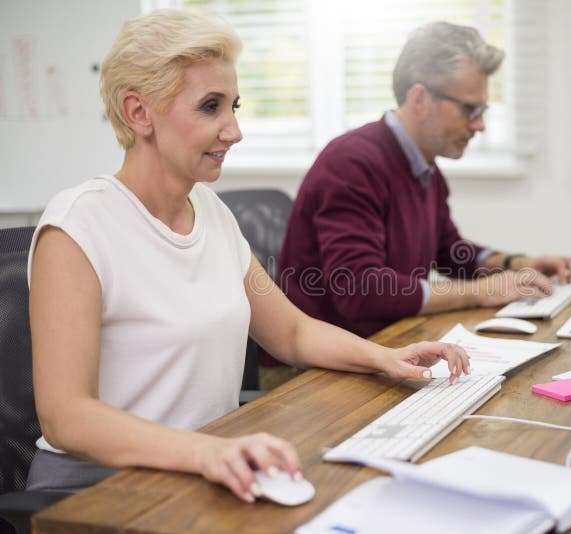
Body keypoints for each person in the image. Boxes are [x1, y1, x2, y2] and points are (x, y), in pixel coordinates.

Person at [26, 10, 469, 504]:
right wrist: (204, 453)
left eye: (233, 106)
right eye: (210, 107)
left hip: (203, 468)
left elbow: (292, 332)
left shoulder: (211, 212)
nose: (234, 131)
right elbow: (66, 416)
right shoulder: (77, 227)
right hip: (98, 490)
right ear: (138, 112)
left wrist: (385, 358)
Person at [279, 21, 571, 339]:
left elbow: (448, 250)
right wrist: (479, 292)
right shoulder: (352, 164)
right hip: (311, 368)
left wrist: (516, 263)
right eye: (471, 110)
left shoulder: (424, 165)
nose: (480, 126)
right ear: (420, 99)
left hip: (381, 342)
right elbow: (361, 290)